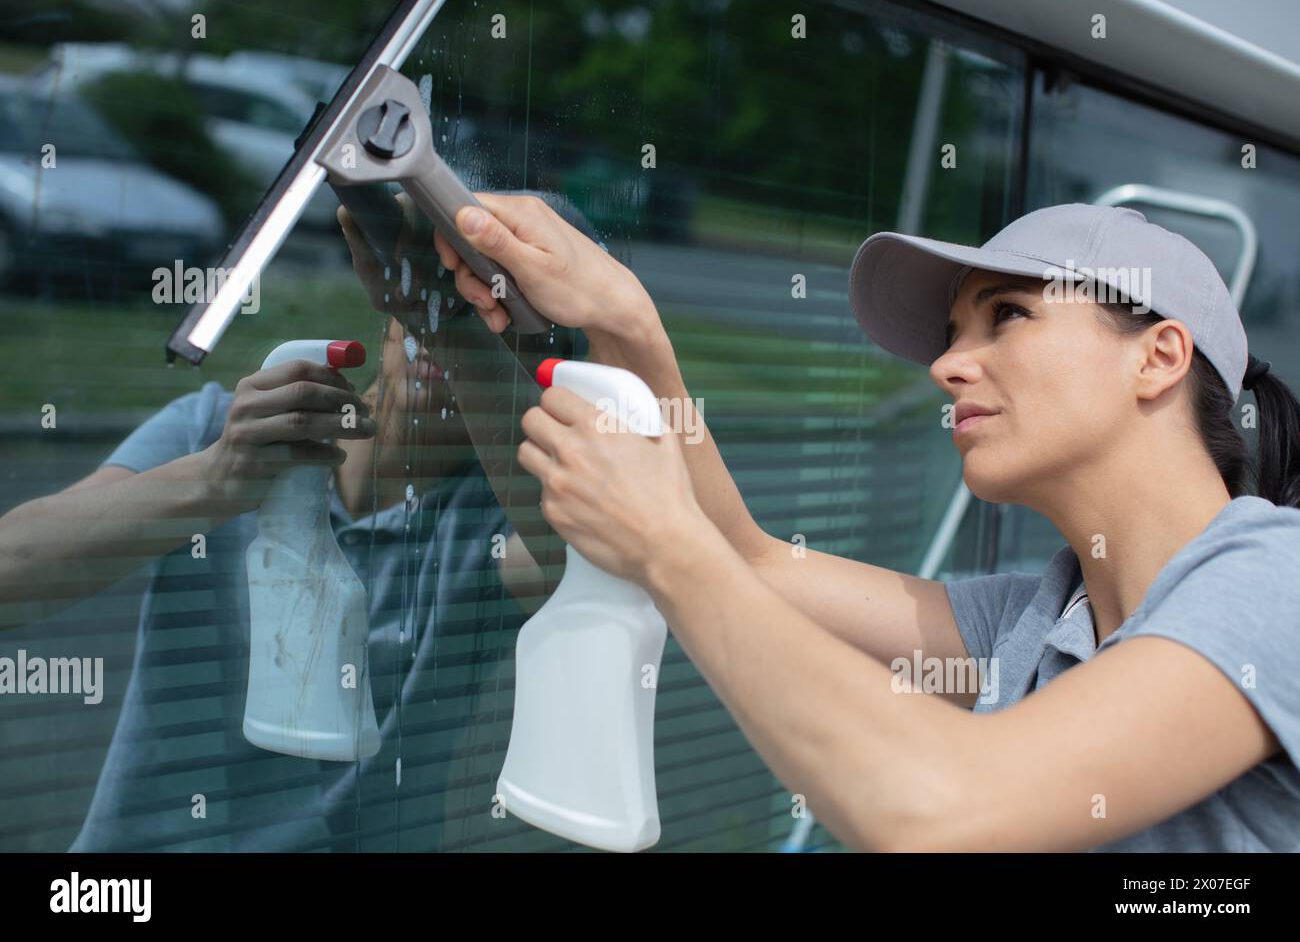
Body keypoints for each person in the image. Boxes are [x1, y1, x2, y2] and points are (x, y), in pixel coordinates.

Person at [436, 196, 1300, 851]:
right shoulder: (1038, 625)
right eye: (954, 333)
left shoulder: (1276, 580)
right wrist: (624, 317)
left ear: (1159, 359)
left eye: (1008, 316)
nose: (947, 367)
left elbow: (948, 807)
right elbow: (755, 565)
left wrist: (665, 547)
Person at [0, 194, 588, 850]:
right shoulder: (213, 431)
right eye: (453, 281)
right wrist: (216, 478)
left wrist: (450, 325)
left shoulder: (496, 520)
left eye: (505, 314)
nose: (467, 314)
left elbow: (579, 556)